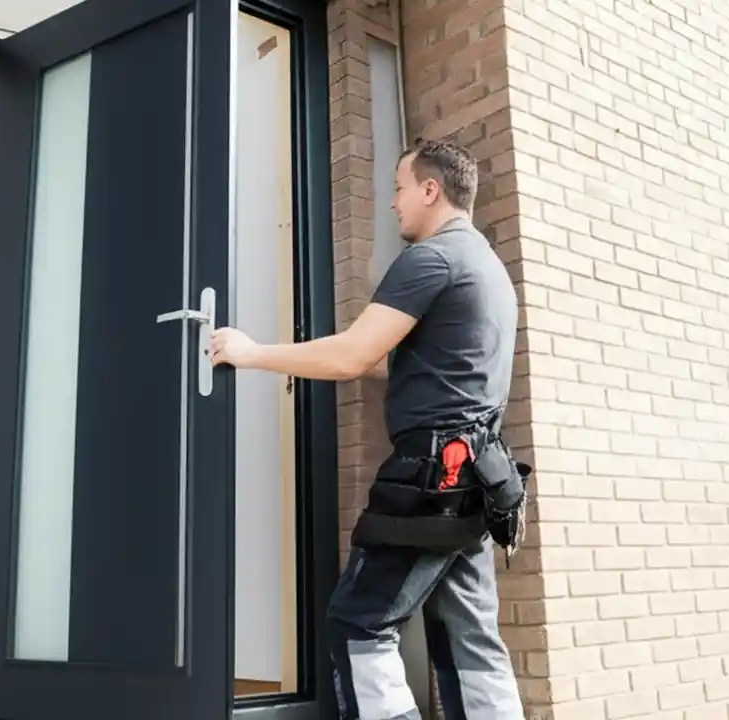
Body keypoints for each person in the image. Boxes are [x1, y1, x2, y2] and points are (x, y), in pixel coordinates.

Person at [210, 138, 526, 720]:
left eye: (399, 188)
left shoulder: (432, 258)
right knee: (470, 638)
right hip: (477, 476)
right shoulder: (485, 265)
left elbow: (354, 356)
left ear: (431, 190)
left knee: (360, 624)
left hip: (432, 477)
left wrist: (251, 352)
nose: (392, 203)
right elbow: (393, 359)